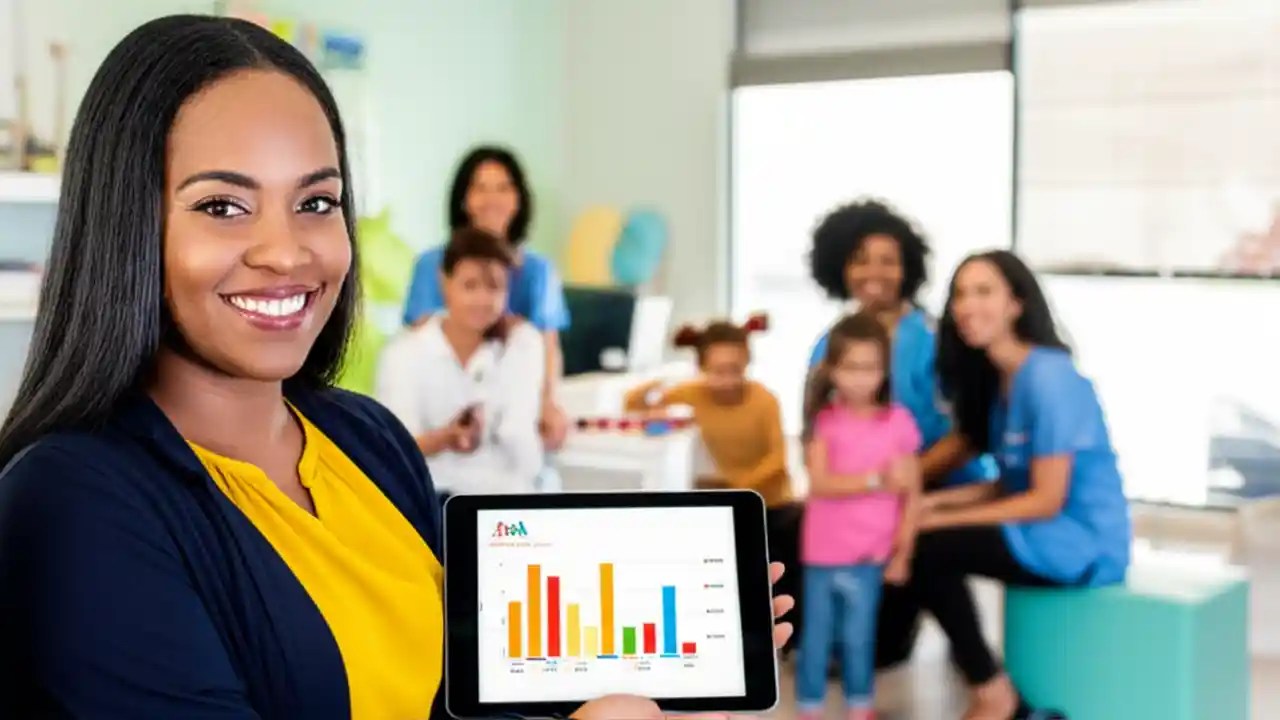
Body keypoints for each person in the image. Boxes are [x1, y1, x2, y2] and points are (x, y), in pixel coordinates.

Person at [0, 16, 792, 720]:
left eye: (316, 202)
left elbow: (451, 703)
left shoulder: (365, 436)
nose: (288, 252)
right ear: (124, 222)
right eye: (222, 206)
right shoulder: (70, 500)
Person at [908, 249, 1131, 719]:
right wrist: (932, 506)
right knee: (923, 534)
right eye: (959, 294)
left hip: (1079, 543)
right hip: (1040, 526)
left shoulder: (1050, 378)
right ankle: (1007, 699)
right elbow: (1006, 482)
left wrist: (940, 519)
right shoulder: (1003, 381)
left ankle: (993, 694)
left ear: (1017, 302)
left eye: (983, 291)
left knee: (929, 550)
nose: (966, 306)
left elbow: (1045, 498)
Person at [806, 197, 995, 669]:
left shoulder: (935, 338)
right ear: (839, 269)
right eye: (860, 260)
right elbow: (815, 434)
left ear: (908, 268)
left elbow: (968, 433)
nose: (875, 272)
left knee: (881, 648)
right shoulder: (828, 346)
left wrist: (901, 482)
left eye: (889, 261)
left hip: (939, 486)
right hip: (863, 491)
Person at [624, 316, 803, 635]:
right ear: (702, 367)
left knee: (779, 566)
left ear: (747, 363)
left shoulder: (765, 399)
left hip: (771, 503)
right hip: (729, 499)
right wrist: (662, 379)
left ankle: (787, 633)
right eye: (717, 371)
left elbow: (777, 459)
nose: (727, 379)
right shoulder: (691, 394)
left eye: (735, 370)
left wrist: (739, 486)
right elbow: (633, 405)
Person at [402, 146, 570, 451]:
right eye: (480, 188)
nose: (492, 199)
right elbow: (420, 342)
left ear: (519, 199)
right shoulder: (431, 264)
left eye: (503, 188)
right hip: (445, 411)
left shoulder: (539, 271)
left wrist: (548, 403)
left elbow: (548, 346)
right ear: (464, 200)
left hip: (513, 411)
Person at [796, 313, 922, 720]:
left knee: (859, 638)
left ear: (884, 370)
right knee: (815, 640)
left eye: (870, 367)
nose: (860, 378)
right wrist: (875, 480)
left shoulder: (899, 422)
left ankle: (860, 707)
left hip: (870, 557)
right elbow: (820, 483)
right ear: (832, 369)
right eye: (850, 367)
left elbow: (912, 495)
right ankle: (809, 708)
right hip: (822, 554)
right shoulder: (824, 422)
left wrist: (903, 553)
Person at [377, 227, 543, 497]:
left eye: (495, 287)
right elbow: (395, 450)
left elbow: (520, 436)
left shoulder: (521, 343)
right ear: (445, 282)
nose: (482, 300)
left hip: (505, 497)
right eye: (470, 286)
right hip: (431, 499)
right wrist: (445, 438)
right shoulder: (404, 352)